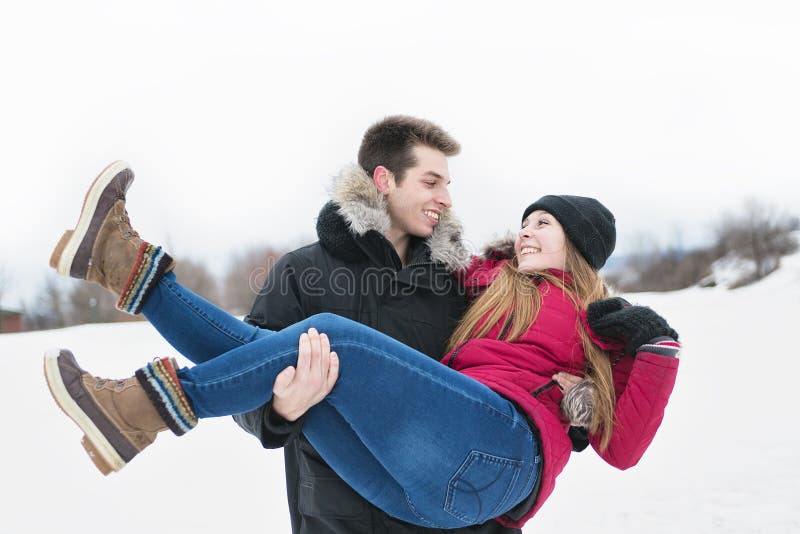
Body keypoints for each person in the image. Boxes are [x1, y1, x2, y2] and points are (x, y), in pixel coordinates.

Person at [44, 160, 680, 529]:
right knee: (295, 363)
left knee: (337, 341)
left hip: (504, 454)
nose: (525, 231)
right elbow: (401, 241)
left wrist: (654, 348)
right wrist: (362, 214)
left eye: (543, 223)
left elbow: (622, 448)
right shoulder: (485, 283)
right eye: (525, 221)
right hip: (424, 492)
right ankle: (125, 267)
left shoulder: (598, 318)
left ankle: (147, 408)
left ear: (579, 242)